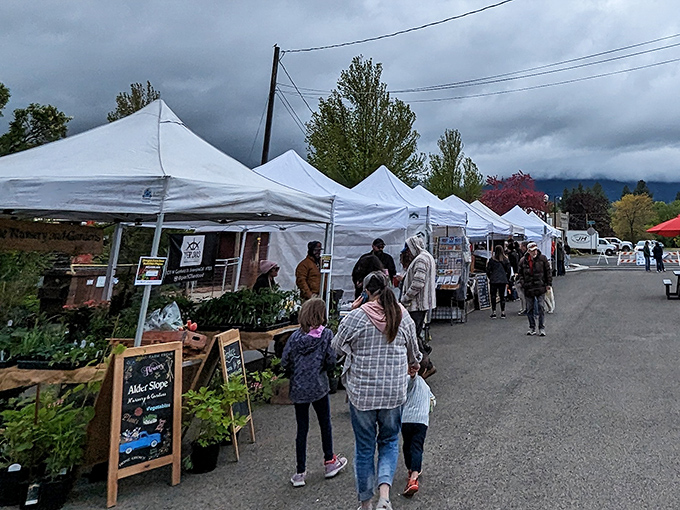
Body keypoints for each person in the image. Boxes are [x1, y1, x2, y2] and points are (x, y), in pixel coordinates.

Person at [332, 271, 422, 510]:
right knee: (389, 441)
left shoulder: (356, 317)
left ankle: (365, 504)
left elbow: (336, 348)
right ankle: (384, 497)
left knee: (364, 447)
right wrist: (413, 365)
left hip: (362, 393)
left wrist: (353, 309)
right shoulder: (403, 316)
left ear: (367, 291)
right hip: (393, 392)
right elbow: (415, 355)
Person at [281, 298, 348, 487]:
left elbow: (285, 360)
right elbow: (331, 358)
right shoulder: (326, 335)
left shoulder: (294, 337)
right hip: (319, 386)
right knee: (325, 423)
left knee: (302, 429)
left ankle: (300, 472)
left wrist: (294, 372)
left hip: (299, 388)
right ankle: (329, 461)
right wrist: (325, 369)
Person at [400, 235, 437, 379]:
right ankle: (425, 358)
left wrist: (405, 298)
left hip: (416, 304)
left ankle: (425, 363)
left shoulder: (421, 259)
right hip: (421, 304)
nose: (407, 252)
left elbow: (418, 283)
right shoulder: (426, 257)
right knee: (414, 334)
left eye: (408, 249)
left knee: (412, 336)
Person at [400, 368, 435, 498]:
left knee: (407, 445)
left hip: (406, 419)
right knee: (417, 447)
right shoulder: (426, 386)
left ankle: (411, 471)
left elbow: (409, 384)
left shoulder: (409, 380)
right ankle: (414, 474)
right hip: (421, 421)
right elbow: (433, 401)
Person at [517, 241, 552, 336]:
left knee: (541, 307)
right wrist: (523, 283)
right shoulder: (523, 261)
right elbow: (520, 274)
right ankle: (532, 327)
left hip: (540, 286)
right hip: (528, 287)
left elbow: (548, 272)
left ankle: (541, 327)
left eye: (535, 250)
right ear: (528, 251)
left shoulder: (543, 259)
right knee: (529, 309)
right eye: (532, 251)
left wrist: (548, 283)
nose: (534, 252)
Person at [486, 245, 511, 319]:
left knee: (493, 296)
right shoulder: (505, 260)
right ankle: (503, 312)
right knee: (502, 296)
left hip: (493, 280)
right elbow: (508, 270)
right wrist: (507, 278)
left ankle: (493, 312)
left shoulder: (492, 260)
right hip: (502, 280)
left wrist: (490, 277)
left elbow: (488, 270)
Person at [516, 241, 529, 315]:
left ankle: (526, 309)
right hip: (525, 279)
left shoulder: (525, 257)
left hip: (525, 279)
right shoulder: (522, 255)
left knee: (523, 296)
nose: (520, 247)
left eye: (521, 246)